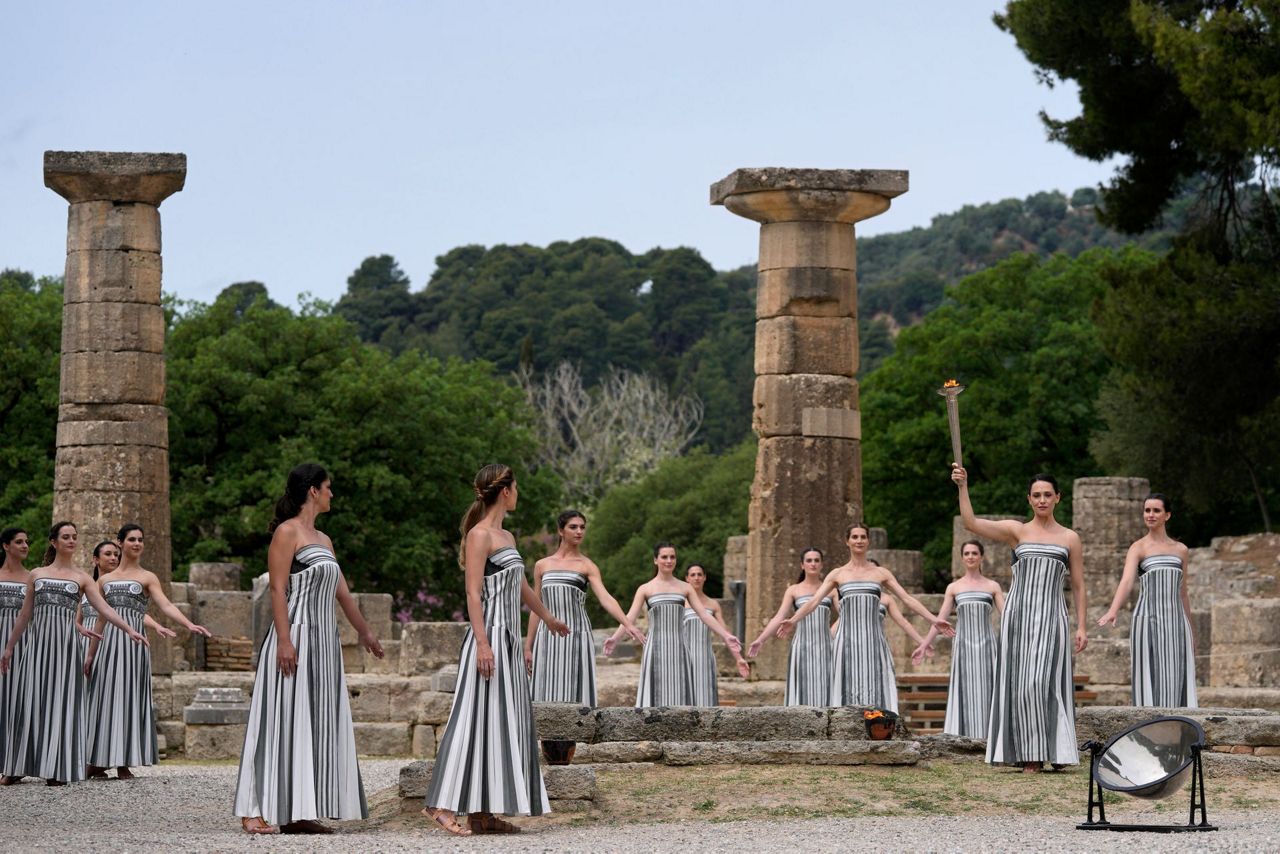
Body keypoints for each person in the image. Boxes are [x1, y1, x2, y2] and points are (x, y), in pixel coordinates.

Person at [234, 464, 385, 835]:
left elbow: (343, 593)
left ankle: (300, 810)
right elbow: (276, 589)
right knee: (277, 719)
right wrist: (285, 640)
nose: (333, 494)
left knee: (313, 723)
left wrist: (365, 633)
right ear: (313, 491)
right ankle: (253, 809)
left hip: (324, 644)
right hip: (295, 637)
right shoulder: (287, 533)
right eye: (329, 487)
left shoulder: (325, 540)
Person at [423, 464, 570, 837]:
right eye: (516, 487)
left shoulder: (507, 536)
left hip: (507, 641)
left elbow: (520, 587)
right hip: (486, 639)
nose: (519, 493)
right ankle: (439, 804)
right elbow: (473, 592)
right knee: (472, 718)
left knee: (501, 723)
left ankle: (483, 814)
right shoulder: (479, 536)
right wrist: (483, 643)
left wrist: (548, 619)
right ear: (504, 491)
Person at [953, 467, 1087, 772]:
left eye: (1047, 495)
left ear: (1057, 498)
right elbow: (971, 523)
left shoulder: (1070, 538)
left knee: (1042, 682)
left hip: (1052, 617)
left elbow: (1078, 584)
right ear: (1029, 499)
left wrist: (1081, 626)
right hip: (1018, 617)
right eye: (1036, 495)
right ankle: (1030, 755)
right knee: (1019, 684)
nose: (1042, 500)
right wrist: (963, 486)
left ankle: (1054, 749)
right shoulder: (1017, 531)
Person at [1, 522, 145, 786]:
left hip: (67, 650)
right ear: (54, 542)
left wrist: (129, 629)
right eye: (65, 537)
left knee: (62, 706)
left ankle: (57, 768)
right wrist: (10, 647)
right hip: (37, 648)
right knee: (31, 703)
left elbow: (106, 609)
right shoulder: (37, 574)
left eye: (74, 537)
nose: (71, 540)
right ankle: (16, 767)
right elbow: (25, 614)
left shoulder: (82, 578)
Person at [84, 524, 210, 780]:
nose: (137, 543)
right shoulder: (104, 581)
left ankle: (123, 762)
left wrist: (187, 623)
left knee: (128, 699)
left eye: (140, 539)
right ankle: (98, 759)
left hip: (133, 646)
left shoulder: (147, 577)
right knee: (105, 698)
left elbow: (164, 605)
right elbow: (99, 619)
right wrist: (90, 653)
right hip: (108, 644)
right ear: (120, 543)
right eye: (132, 539)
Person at [781, 524, 950, 709]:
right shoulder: (838, 574)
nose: (859, 540)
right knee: (845, 691)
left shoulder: (880, 573)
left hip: (874, 641)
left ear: (868, 541)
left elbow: (907, 599)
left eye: (863, 537)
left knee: (876, 689)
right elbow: (813, 602)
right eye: (854, 537)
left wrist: (933, 619)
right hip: (845, 642)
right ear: (847, 541)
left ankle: (880, 729)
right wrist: (793, 620)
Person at [525, 510, 645, 708]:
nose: (579, 531)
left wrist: (627, 624)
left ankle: (572, 738)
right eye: (573, 527)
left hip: (576, 635)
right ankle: (547, 740)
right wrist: (528, 646)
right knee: (545, 695)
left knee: (574, 694)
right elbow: (536, 607)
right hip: (547, 637)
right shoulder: (542, 565)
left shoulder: (587, 566)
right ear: (560, 531)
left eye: (582, 527)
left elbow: (605, 598)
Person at [609, 543, 743, 708]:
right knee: (655, 695)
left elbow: (703, 614)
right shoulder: (645, 589)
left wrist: (726, 635)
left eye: (672, 557)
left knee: (680, 695)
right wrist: (615, 639)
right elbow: (630, 617)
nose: (669, 560)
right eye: (664, 557)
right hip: (655, 648)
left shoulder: (685, 588)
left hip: (679, 647)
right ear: (655, 560)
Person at [1097, 493, 1197, 708]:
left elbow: (1183, 592)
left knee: (1175, 676)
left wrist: (1190, 630)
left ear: (1167, 515)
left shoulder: (1181, 551)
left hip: (1175, 622)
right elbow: (1126, 581)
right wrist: (1112, 610)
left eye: (1156, 511)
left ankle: (1178, 731)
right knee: (1148, 676)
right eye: (1147, 510)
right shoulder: (1138, 548)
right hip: (1147, 619)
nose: (1150, 515)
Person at [912, 540, 1004, 737]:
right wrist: (924, 644)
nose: (970, 556)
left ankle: (990, 737)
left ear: (981, 557)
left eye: (974, 553)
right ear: (962, 558)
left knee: (989, 688)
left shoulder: (992, 586)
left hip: (987, 645)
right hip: (963, 645)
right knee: (965, 690)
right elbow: (940, 620)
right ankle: (964, 736)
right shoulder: (954, 588)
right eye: (967, 553)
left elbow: (1007, 616)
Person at [748, 548, 837, 706]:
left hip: (825, 646)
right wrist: (761, 640)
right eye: (809, 561)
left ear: (822, 564)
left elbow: (845, 615)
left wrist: (831, 633)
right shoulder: (794, 590)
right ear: (802, 565)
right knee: (802, 688)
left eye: (817, 560)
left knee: (826, 686)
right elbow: (779, 617)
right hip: (801, 646)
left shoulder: (831, 590)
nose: (813, 564)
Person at [682, 563, 751, 706]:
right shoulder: (681, 603)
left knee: (705, 698)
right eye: (693, 575)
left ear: (705, 578)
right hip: (684, 656)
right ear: (687, 578)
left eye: (699, 574)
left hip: (705, 657)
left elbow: (725, 633)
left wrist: (739, 658)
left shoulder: (713, 605)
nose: (696, 578)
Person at [0, 528, 32, 773]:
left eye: (26, 542)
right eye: (19, 542)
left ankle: (14, 764)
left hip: (23, 644)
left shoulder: (32, 578)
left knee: (17, 700)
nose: (24, 546)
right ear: (5, 546)